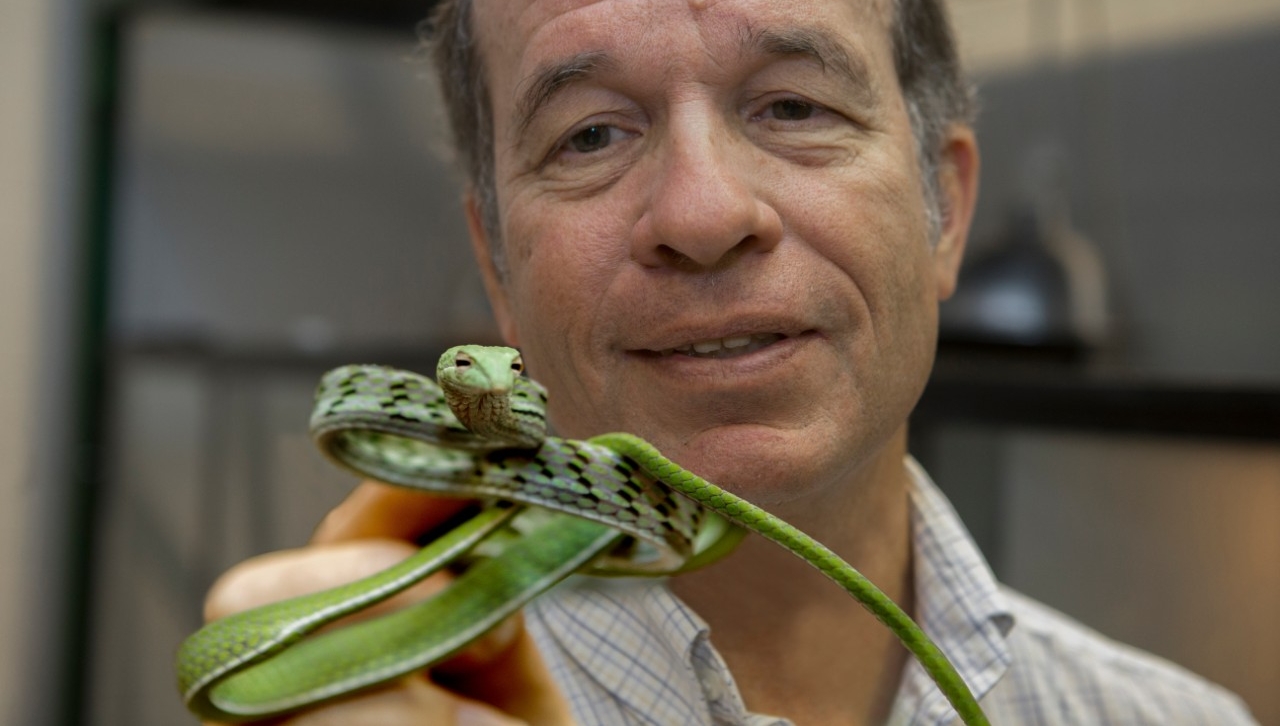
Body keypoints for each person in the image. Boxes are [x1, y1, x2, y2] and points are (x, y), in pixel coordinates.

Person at [202, 0, 1258, 724]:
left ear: (944, 215)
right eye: (589, 136)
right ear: (496, 265)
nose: (701, 215)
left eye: (791, 106)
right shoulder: (349, 696)